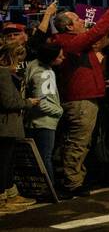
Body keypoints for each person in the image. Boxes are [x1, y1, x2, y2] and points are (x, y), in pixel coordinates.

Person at [48, 0, 109, 195]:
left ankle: (74, 177)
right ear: (68, 27)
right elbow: (96, 32)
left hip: (85, 98)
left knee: (78, 141)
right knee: (78, 142)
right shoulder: (68, 42)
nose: (82, 21)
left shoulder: (70, 42)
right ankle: (72, 182)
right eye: (77, 19)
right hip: (80, 101)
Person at [0, 42, 36, 213]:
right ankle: (1, 200)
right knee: (3, 163)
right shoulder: (3, 73)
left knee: (8, 162)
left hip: (8, 125)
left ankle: (9, 194)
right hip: (5, 125)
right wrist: (28, 102)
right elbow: (8, 102)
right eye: (18, 60)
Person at [23, 40, 63, 188]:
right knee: (45, 158)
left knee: (37, 158)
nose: (62, 58)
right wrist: (59, 111)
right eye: (59, 56)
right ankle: (49, 189)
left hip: (32, 121)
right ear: (50, 58)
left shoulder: (32, 65)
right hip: (44, 122)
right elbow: (42, 102)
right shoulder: (45, 74)